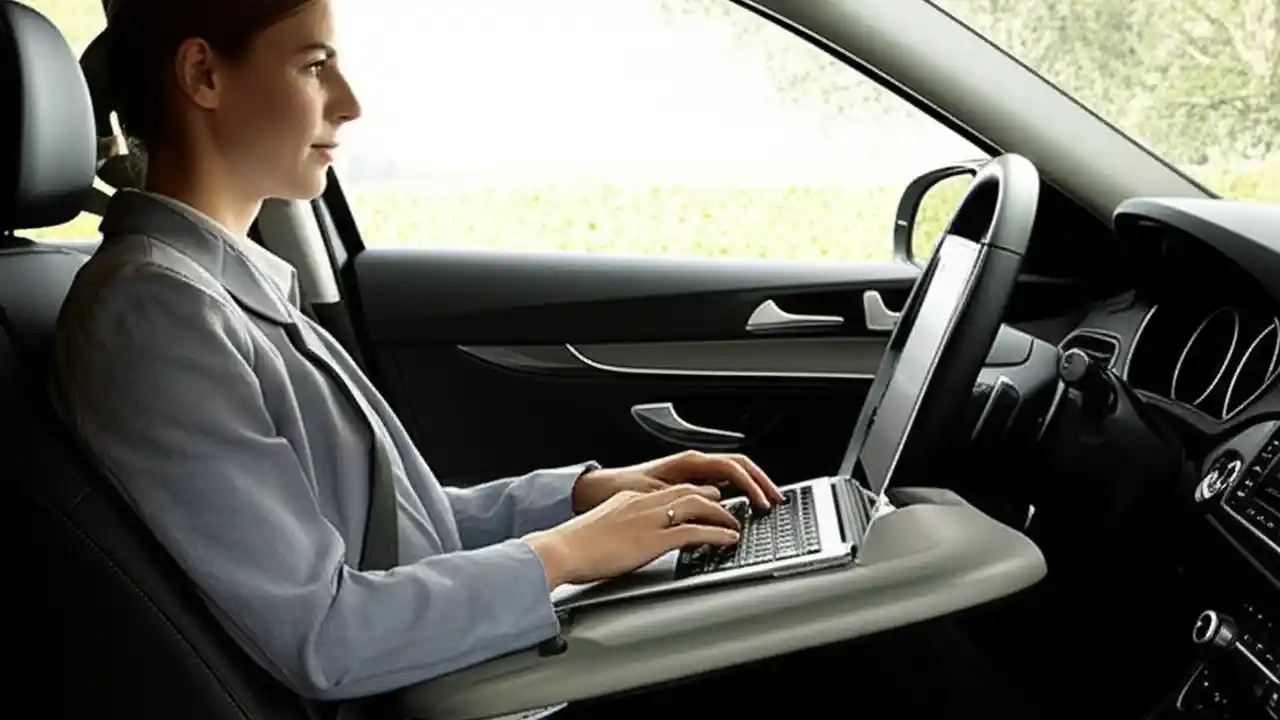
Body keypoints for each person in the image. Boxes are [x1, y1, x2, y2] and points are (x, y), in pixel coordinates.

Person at [53, 0, 785, 704]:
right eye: (314, 66)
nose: (349, 101)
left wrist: (580, 499)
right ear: (204, 76)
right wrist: (564, 553)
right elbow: (326, 634)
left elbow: (385, 530)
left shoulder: (221, 284)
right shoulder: (155, 314)